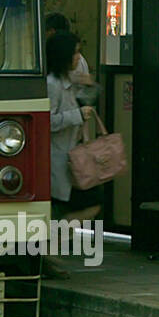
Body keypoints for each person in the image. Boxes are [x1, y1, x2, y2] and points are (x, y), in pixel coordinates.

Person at [44, 31, 101, 279]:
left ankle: (49, 252)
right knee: (86, 204)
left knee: (76, 206)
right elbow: (47, 120)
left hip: (69, 158)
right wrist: (77, 116)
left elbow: (85, 101)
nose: (78, 57)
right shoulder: (52, 85)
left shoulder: (67, 81)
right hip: (58, 159)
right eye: (75, 52)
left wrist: (89, 87)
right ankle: (49, 251)